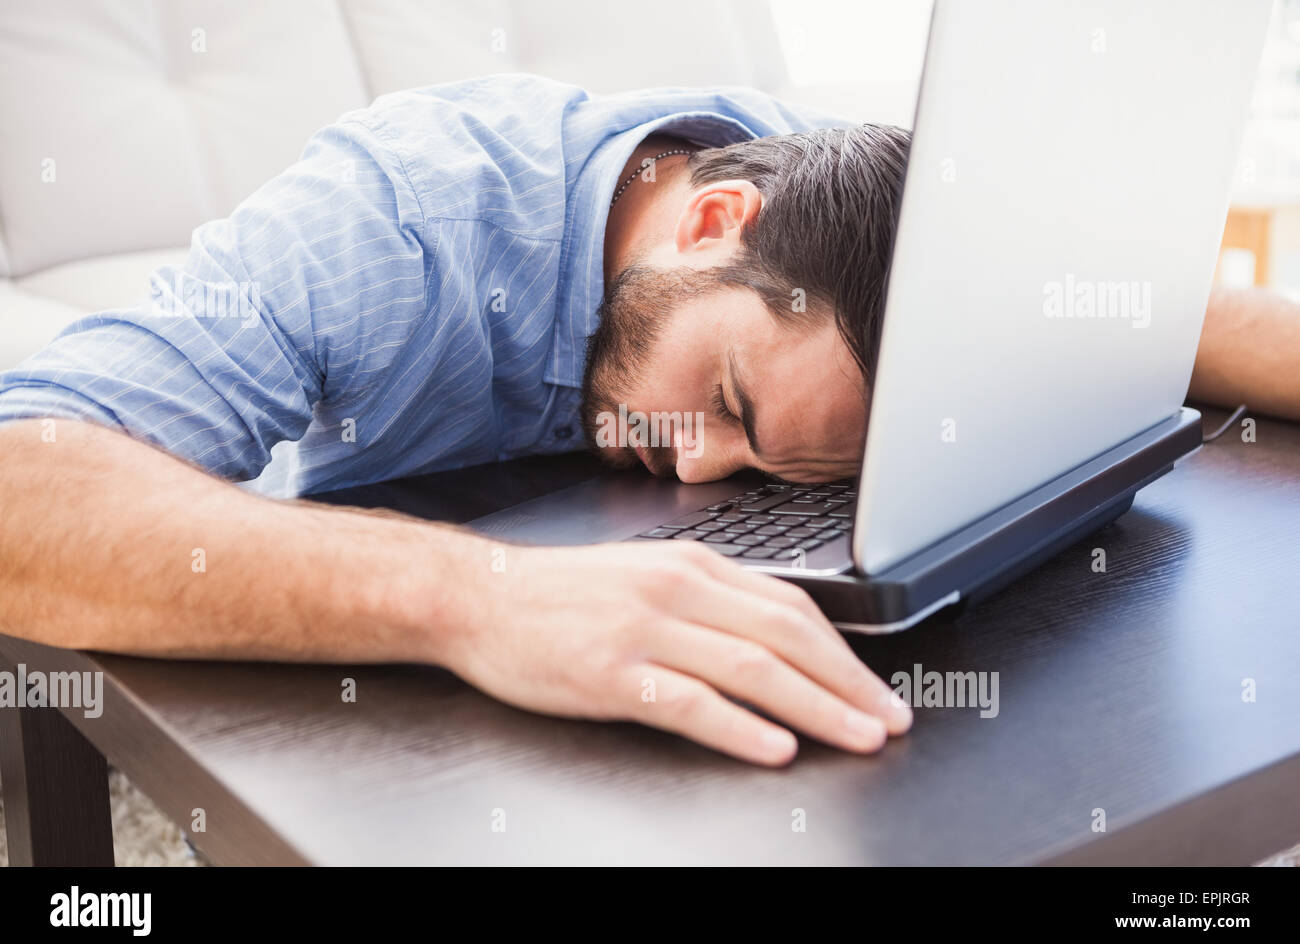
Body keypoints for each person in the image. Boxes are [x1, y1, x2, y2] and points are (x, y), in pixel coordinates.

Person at [0, 76, 1295, 765]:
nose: (696, 479)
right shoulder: (389, 227)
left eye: (773, 462)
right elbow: (24, 491)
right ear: (716, 223)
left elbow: (1168, 312)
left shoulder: (840, 201)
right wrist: (485, 599)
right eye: (728, 404)